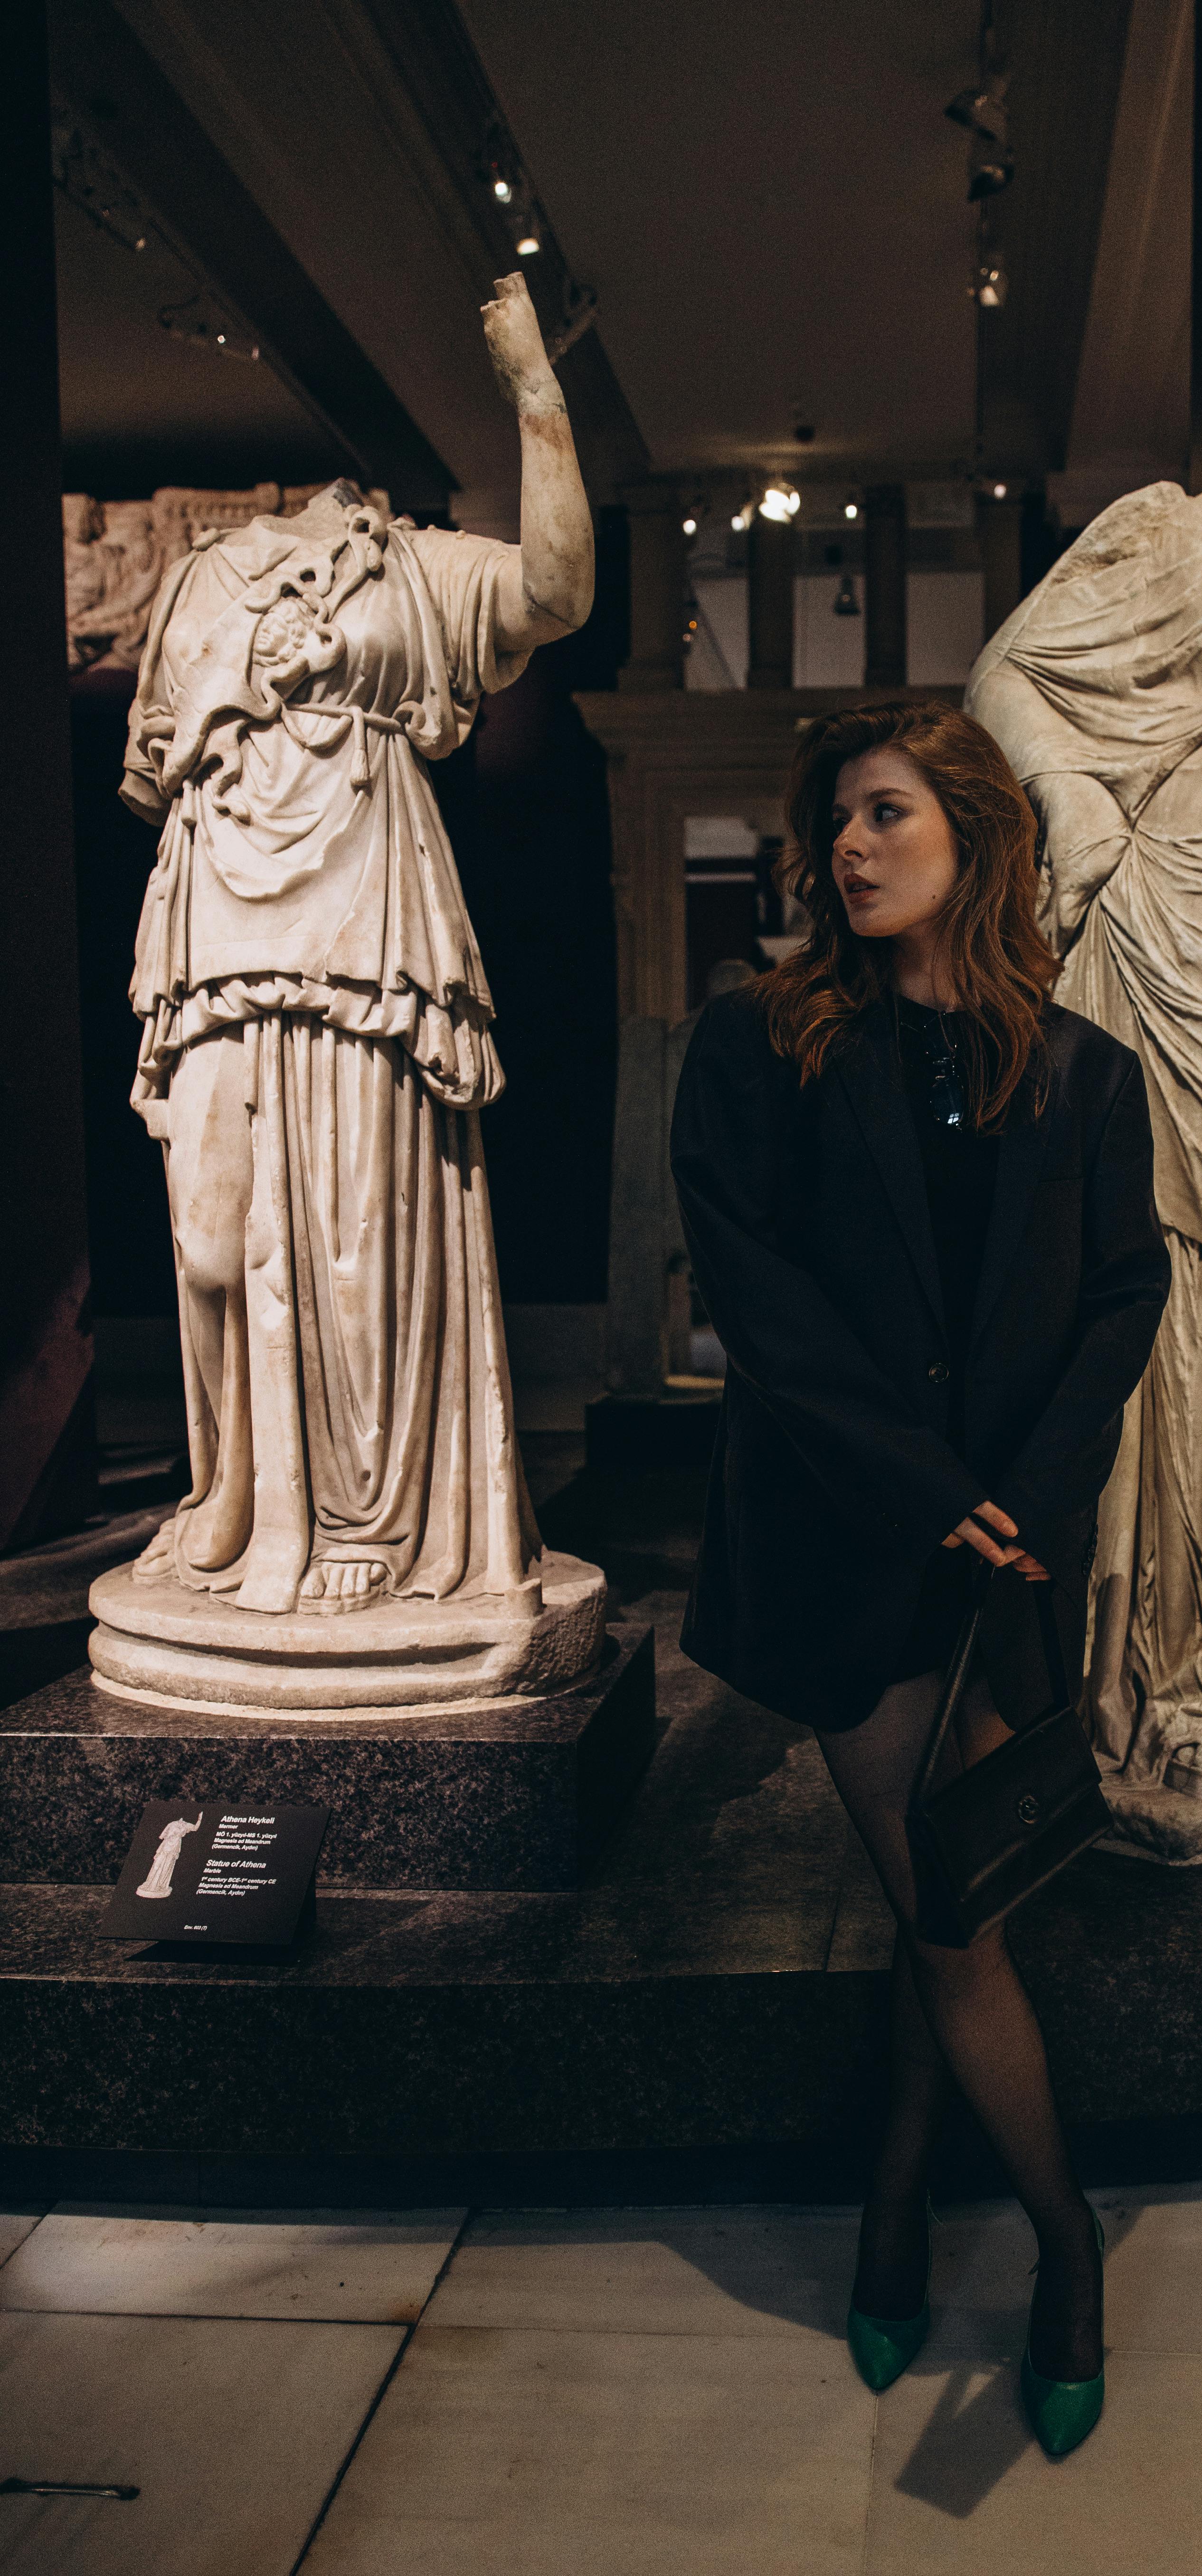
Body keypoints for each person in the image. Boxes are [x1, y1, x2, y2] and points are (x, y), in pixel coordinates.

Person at [670, 701, 1169, 2456]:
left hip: (1014, 1550)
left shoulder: (1086, 1073)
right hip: (850, 1537)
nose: (849, 848)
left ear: (977, 831)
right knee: (951, 1917)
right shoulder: (763, 1044)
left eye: (885, 813)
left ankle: (896, 2197)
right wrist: (931, 1491)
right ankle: (1068, 2248)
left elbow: (1125, 1295)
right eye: (835, 824)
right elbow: (761, 1304)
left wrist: (1025, 1495)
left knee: (942, 1903)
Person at [119, 273, 592, 1617]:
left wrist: (535, 392)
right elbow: (154, 769)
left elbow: (556, 590)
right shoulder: (196, 574)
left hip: (363, 914)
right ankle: (238, 1497)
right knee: (212, 1244)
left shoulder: (419, 564)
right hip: (217, 911)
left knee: (354, 1227)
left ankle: (365, 1520)